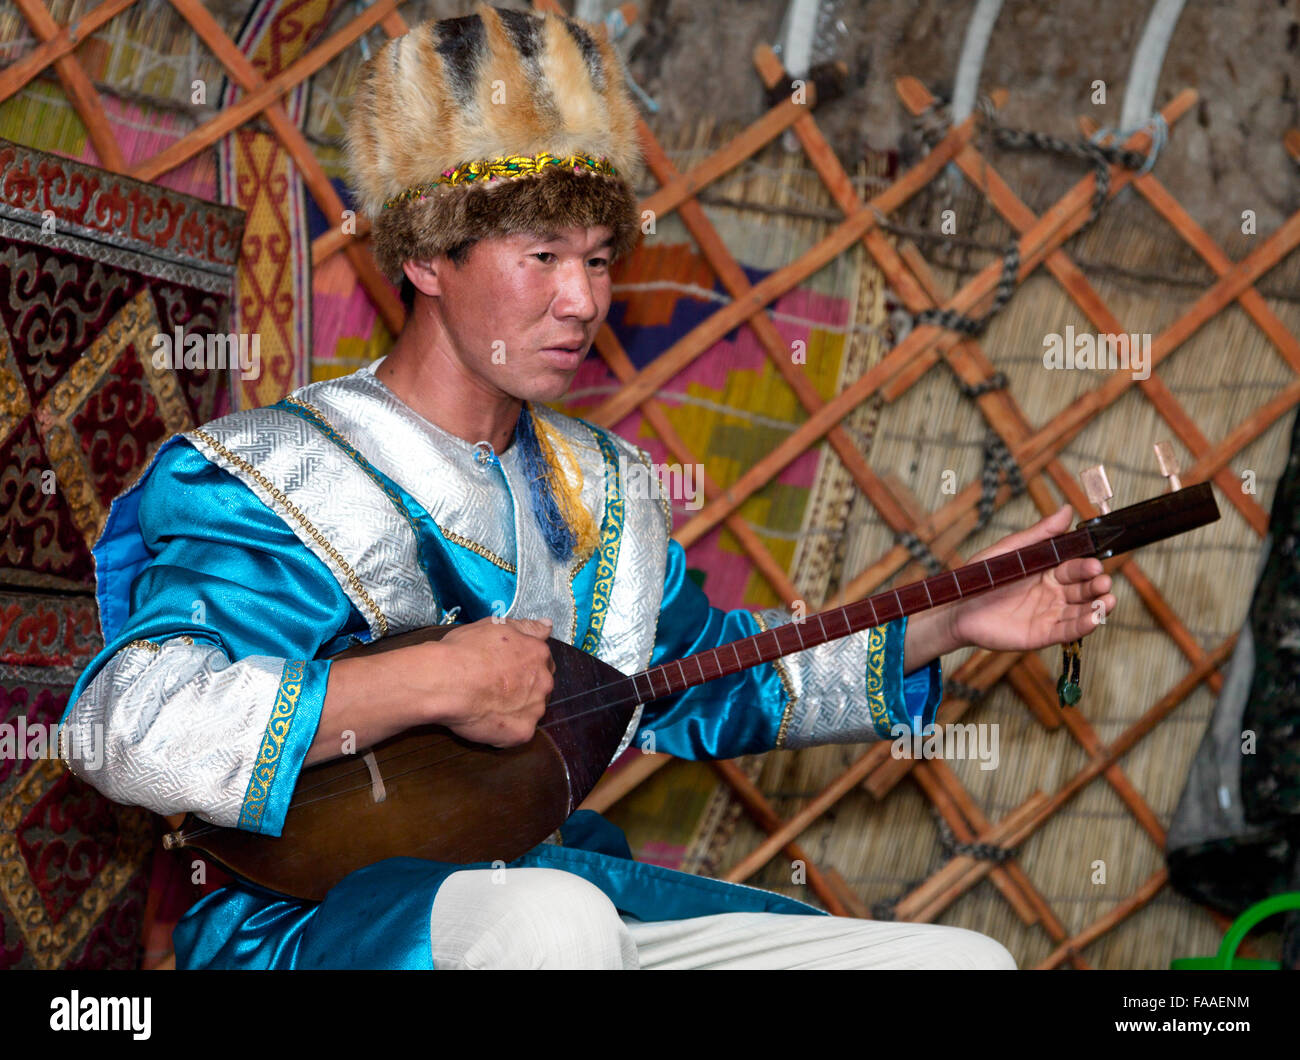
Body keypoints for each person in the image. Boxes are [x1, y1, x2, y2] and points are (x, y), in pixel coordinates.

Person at [60, 5, 1114, 970]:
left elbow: (707, 678)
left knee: (958, 965)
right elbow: (125, 725)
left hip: (561, 892)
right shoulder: (280, 473)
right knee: (550, 928)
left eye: (602, 258)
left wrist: (956, 618)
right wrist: (430, 684)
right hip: (321, 927)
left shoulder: (605, 488)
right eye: (543, 254)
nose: (582, 300)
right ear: (429, 257)